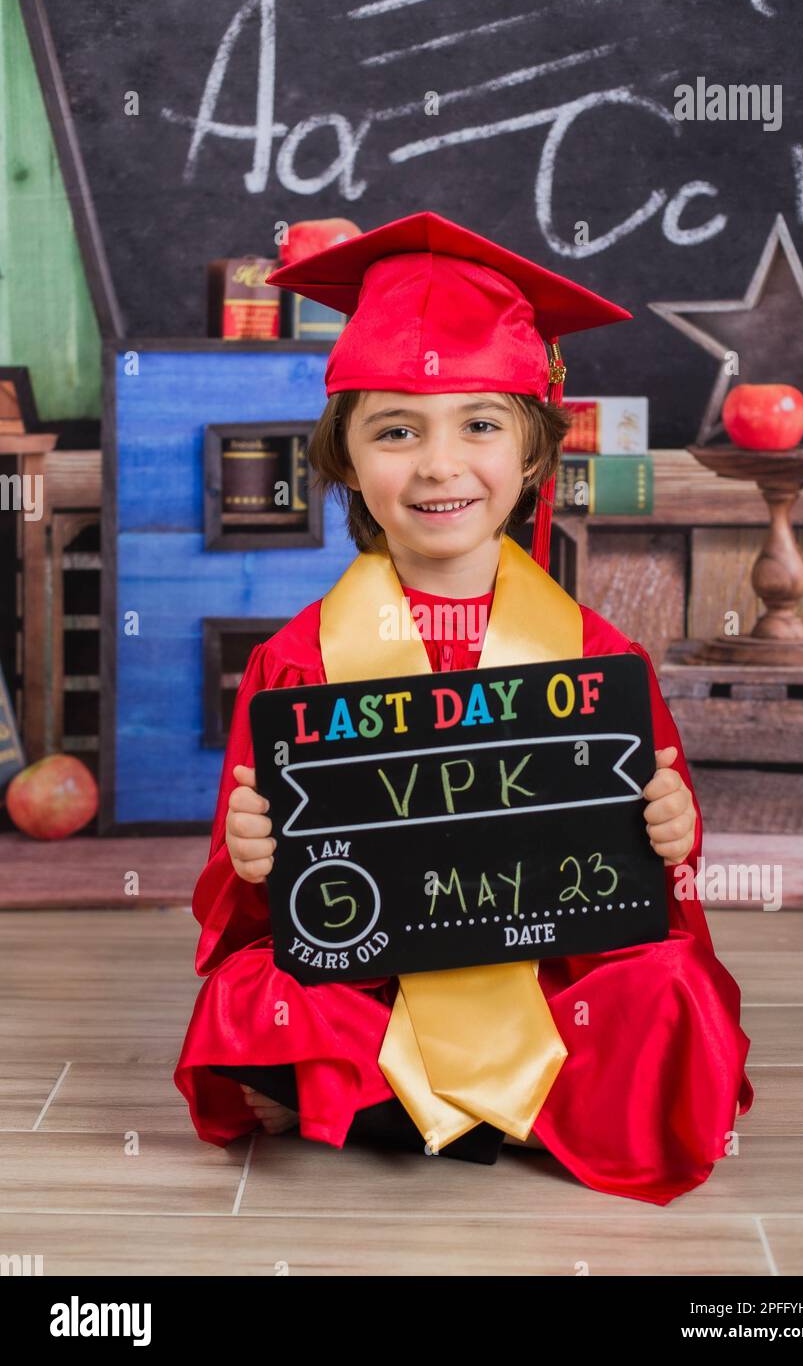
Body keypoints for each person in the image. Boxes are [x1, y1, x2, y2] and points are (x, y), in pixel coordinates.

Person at [174, 212, 754, 1204]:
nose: (439, 464)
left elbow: (646, 893)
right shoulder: (297, 661)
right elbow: (263, 909)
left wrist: (668, 828)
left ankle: (398, 1111)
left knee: (669, 996)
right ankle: (514, 1112)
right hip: (377, 975)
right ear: (348, 459)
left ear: (531, 454)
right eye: (395, 429)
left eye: (479, 424)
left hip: (541, 975)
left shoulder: (596, 660)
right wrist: (248, 855)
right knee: (253, 1001)